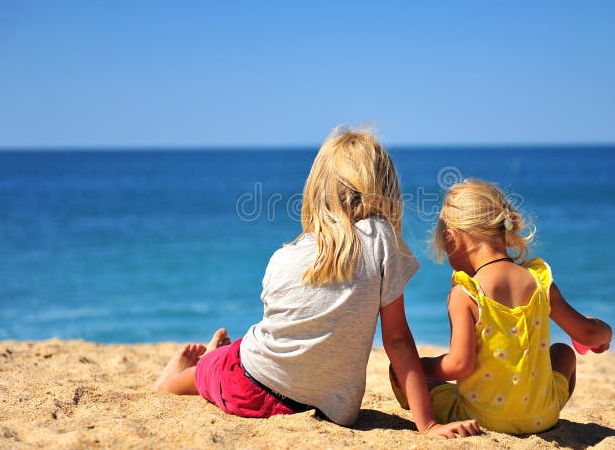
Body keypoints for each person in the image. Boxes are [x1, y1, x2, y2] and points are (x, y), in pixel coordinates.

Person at [152, 127, 481, 438]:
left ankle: (184, 374)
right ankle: (176, 377)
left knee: (220, 366)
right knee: (228, 358)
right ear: (384, 188)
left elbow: (281, 322)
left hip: (251, 386)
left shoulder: (285, 257)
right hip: (334, 410)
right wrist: (427, 425)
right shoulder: (383, 239)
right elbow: (397, 341)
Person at [390, 179, 612, 434]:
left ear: (452, 238)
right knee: (563, 352)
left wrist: (420, 366)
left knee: (408, 374)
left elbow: (459, 365)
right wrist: (604, 333)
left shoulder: (466, 293)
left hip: (481, 418)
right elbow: (587, 333)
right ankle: (535, 414)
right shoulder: (540, 281)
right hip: (541, 417)